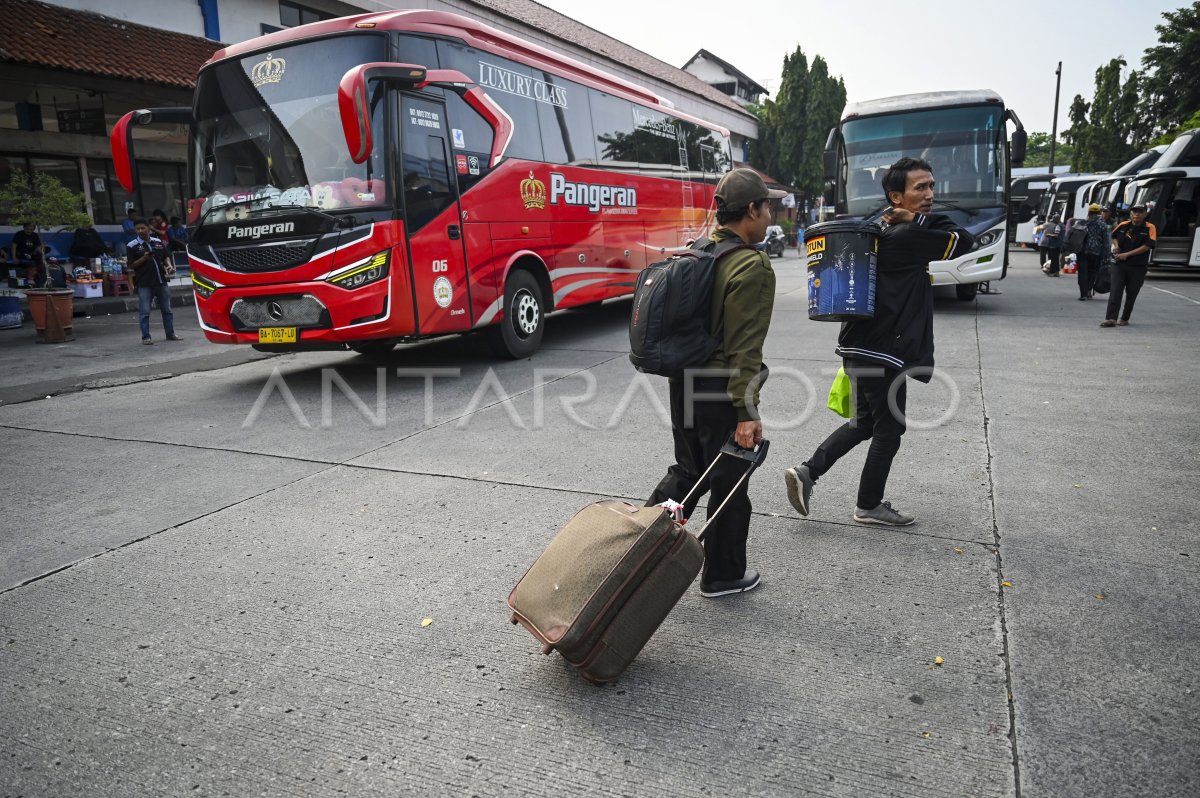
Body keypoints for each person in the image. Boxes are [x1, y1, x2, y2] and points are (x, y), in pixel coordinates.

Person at [784, 157, 974, 526]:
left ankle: (807, 472)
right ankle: (868, 505)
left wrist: (909, 216)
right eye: (920, 188)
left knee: (865, 423)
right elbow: (962, 240)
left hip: (859, 347)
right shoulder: (908, 236)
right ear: (896, 196)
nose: (930, 194)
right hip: (883, 351)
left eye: (932, 186)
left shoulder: (880, 232)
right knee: (890, 429)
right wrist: (916, 220)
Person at [647, 168, 781, 598]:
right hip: (719, 391)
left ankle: (634, 548)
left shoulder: (697, 251)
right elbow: (745, 349)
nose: (770, 216)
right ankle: (722, 574)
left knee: (688, 470)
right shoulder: (751, 265)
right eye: (767, 208)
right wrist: (746, 412)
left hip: (682, 381)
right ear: (753, 211)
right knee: (729, 481)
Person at [1101, 203, 1157, 327]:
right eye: (1134, 211)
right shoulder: (1123, 225)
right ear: (1131, 213)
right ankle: (1111, 318)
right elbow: (1114, 236)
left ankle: (1125, 318)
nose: (1137, 214)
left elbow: (1148, 246)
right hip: (1119, 264)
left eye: (1140, 212)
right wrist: (1116, 246)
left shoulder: (1150, 227)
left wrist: (1127, 254)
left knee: (1132, 293)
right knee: (1115, 291)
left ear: (1145, 214)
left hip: (1138, 266)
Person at [126, 219, 180, 344]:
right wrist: (144, 258)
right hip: (144, 284)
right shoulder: (131, 246)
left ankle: (170, 334)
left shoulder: (158, 242)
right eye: (137, 229)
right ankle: (146, 337)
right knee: (145, 312)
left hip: (161, 282)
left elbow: (166, 256)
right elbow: (131, 265)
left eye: (142, 228)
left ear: (148, 229)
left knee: (167, 310)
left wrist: (169, 265)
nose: (140, 231)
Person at [1077, 203, 1109, 300]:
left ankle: (1083, 294)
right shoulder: (1103, 225)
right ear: (1099, 212)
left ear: (1089, 212)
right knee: (1093, 272)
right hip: (1097, 252)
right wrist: (1106, 255)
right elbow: (1106, 242)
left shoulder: (1082, 222)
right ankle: (1088, 291)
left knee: (1082, 273)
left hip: (1082, 251)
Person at [11, 221, 46, 288]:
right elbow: (13, 246)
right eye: (27, 229)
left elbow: (39, 246)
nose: (29, 231)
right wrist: (14, 258)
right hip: (21, 253)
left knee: (41, 261)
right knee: (31, 262)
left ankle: (41, 279)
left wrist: (39, 250)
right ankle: (30, 279)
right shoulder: (19, 234)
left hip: (31, 254)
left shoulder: (35, 235)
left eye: (31, 229)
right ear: (24, 227)